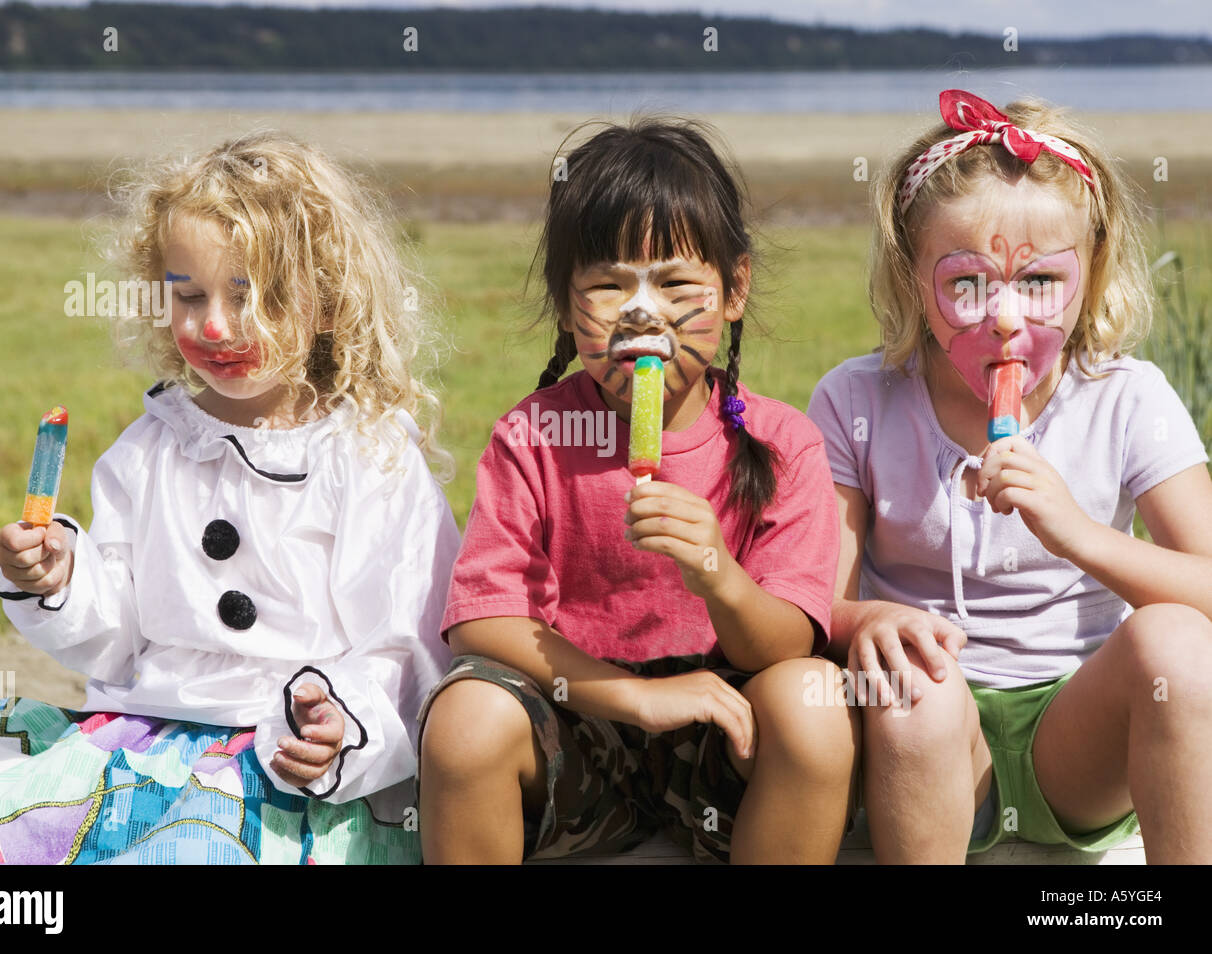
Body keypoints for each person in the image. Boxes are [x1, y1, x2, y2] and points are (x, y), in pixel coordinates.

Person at [0, 132, 460, 865]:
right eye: (189, 295)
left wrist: (342, 724)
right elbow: (115, 635)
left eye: (251, 296)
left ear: (328, 302)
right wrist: (58, 575)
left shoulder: (367, 453)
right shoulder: (151, 446)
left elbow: (411, 640)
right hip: (144, 741)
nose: (215, 325)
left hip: (289, 767)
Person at [418, 118, 858, 865]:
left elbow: (788, 642)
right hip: (578, 716)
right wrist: (635, 697)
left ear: (734, 290)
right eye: (608, 285)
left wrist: (718, 573)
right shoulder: (534, 437)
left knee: (813, 703)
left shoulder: (784, 444)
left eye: (675, 282)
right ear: (566, 306)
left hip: (727, 731)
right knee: (463, 721)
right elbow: (484, 623)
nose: (641, 313)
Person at [808, 89, 1212, 863]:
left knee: (1178, 645)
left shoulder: (1126, 399)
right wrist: (867, 621)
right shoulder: (856, 401)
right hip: (928, 733)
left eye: (1037, 283)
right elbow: (813, 602)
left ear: (1089, 279)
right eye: (967, 284)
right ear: (910, 279)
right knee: (916, 686)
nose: (1003, 317)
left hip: (1082, 740)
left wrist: (1079, 534)